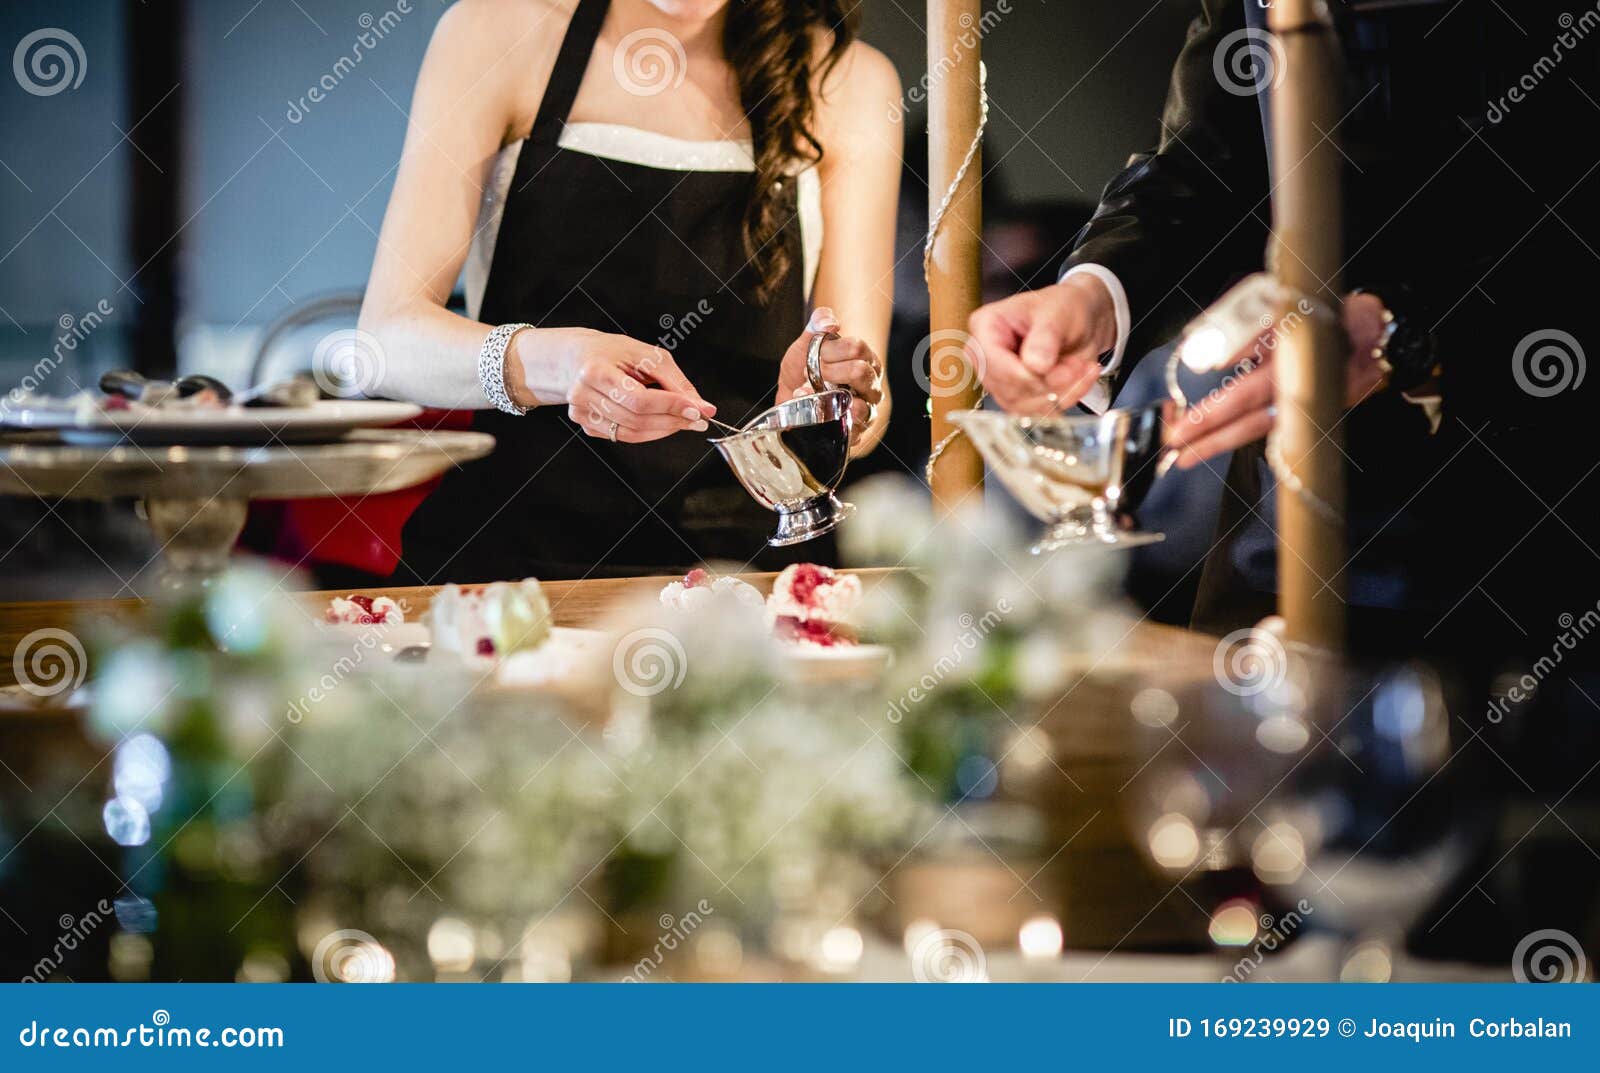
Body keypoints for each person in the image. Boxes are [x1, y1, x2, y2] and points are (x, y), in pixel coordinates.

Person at [967, 0, 1597, 671]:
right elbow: (1202, 159)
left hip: (1543, 494)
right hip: (1287, 506)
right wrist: (1095, 290)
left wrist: (1403, 329)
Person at [359, 0, 900, 581]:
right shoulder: (496, 32)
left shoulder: (851, 82)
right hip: (514, 569)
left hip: (745, 584)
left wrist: (825, 408)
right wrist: (557, 364)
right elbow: (386, 341)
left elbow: (873, 398)